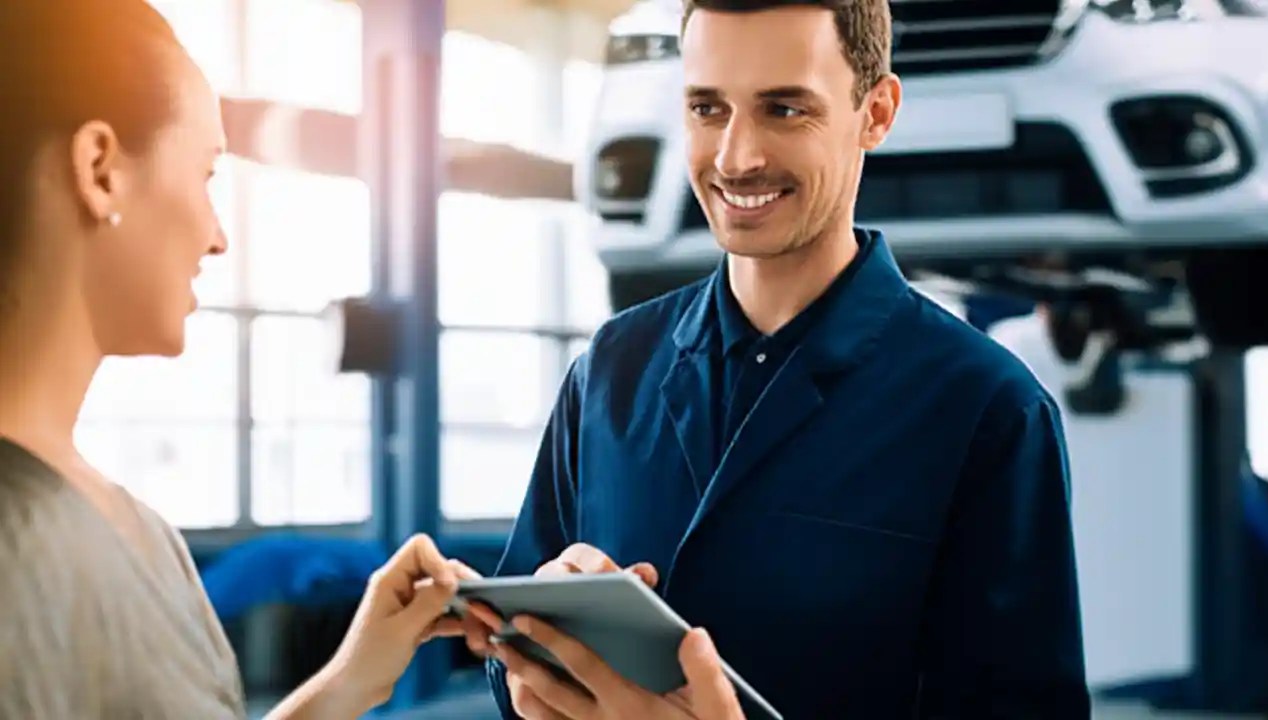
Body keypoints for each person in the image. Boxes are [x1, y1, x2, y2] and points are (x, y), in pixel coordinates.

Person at [0, 3, 745, 719]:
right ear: (100, 169)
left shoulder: (135, 526)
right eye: (204, 176)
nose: (218, 234)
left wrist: (351, 680)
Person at [485, 0, 1091, 717]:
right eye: (708, 109)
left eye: (784, 109)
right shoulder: (613, 368)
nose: (737, 158)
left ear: (876, 112)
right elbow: (511, 646)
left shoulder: (987, 410)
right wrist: (529, 671)